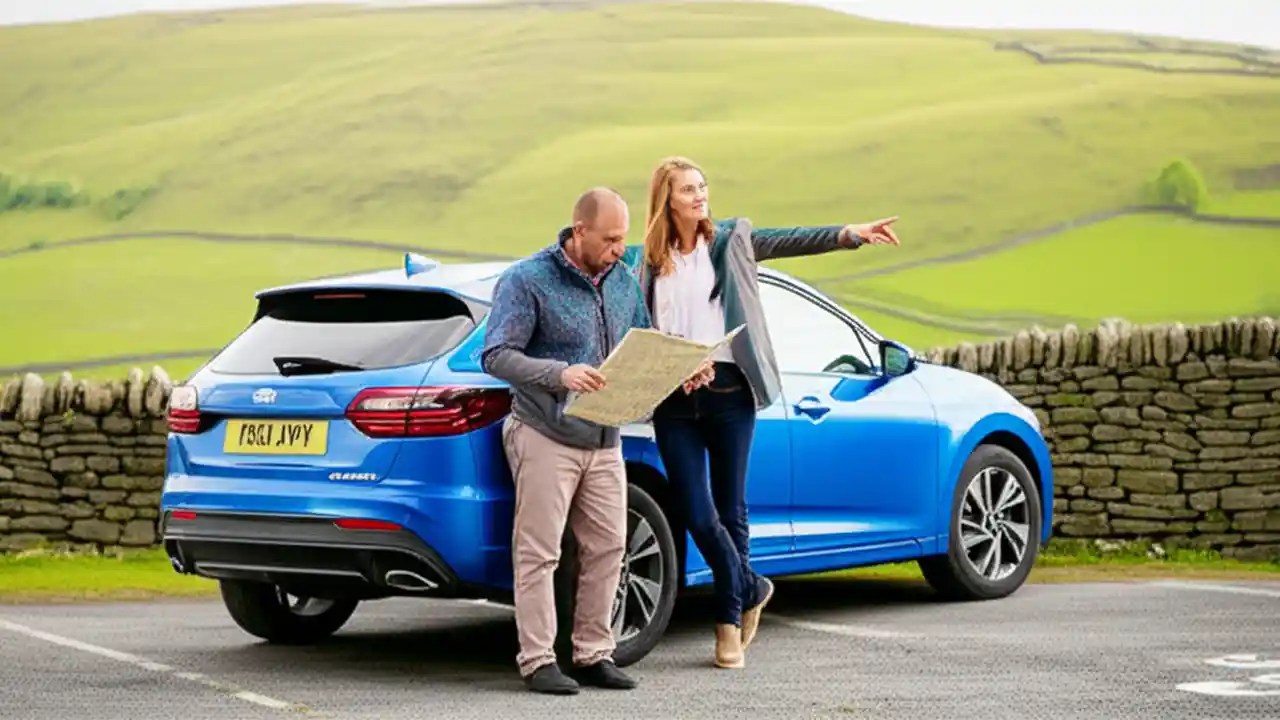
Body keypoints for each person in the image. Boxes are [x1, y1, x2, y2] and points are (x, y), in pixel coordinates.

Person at [621, 156, 900, 669]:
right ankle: (750, 586)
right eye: (688, 189)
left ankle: (727, 625)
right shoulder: (648, 262)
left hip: (729, 391)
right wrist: (673, 367)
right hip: (673, 397)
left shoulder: (733, 240)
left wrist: (851, 233)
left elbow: (791, 239)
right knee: (694, 511)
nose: (700, 195)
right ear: (666, 199)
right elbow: (645, 328)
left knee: (731, 509)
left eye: (703, 186)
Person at [481, 187, 651, 695]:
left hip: (605, 437)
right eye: (611, 239)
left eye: (624, 239)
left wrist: (679, 370)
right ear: (579, 232)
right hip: (543, 433)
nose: (620, 249)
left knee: (609, 548)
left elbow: (641, 338)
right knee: (539, 552)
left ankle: (594, 653)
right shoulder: (527, 280)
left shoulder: (622, 280)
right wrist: (561, 373)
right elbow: (496, 356)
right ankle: (537, 660)